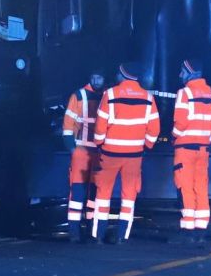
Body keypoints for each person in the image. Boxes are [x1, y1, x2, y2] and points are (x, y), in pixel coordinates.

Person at [90, 64, 160, 244]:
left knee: (103, 194)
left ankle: (99, 235)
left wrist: (99, 143)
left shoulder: (110, 94)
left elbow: (100, 125)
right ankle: (122, 236)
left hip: (110, 154)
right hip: (134, 156)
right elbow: (154, 129)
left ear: (122, 75)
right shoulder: (148, 97)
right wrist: (146, 145)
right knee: (129, 197)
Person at [171, 59, 211, 242]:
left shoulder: (184, 93)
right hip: (203, 149)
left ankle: (187, 230)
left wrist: (173, 136)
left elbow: (181, 122)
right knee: (201, 187)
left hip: (185, 149)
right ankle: (201, 229)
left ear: (190, 73)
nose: (179, 75)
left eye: (182, 72)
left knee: (185, 187)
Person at [62, 70, 105, 242]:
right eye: (94, 77)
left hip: (98, 152)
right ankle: (74, 231)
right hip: (81, 151)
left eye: (99, 77)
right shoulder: (78, 96)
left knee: (94, 192)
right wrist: (72, 149)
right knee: (78, 191)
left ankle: (90, 226)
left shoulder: (106, 95)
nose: (96, 80)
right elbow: (68, 125)